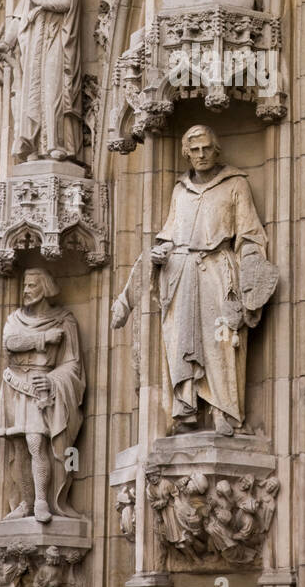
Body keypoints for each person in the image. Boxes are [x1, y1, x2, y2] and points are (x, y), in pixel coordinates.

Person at [114, 125, 277, 434]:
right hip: (180, 273)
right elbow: (169, 234)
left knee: (220, 344)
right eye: (194, 150)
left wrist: (252, 269)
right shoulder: (180, 189)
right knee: (179, 345)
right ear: (186, 154)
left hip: (217, 271)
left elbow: (250, 234)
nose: (201, 155)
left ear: (216, 151)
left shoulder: (235, 184)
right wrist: (162, 254)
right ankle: (185, 407)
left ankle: (223, 411)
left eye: (206, 148)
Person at [0, 269, 85, 522]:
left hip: (41, 387)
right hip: (14, 385)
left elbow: (73, 366)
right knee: (18, 447)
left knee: (36, 442)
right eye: (24, 285)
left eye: (32, 286)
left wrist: (51, 380)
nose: (25, 290)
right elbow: (10, 343)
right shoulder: (14, 318)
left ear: (45, 288)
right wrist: (43, 339)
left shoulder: (64, 320)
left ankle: (40, 501)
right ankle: (25, 502)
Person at [0, 0, 82, 163]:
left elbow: (66, 2)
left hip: (56, 42)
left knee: (52, 91)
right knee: (31, 94)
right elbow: (18, 16)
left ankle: (55, 144)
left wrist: (40, 1)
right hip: (32, 47)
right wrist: (5, 42)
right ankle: (33, 145)